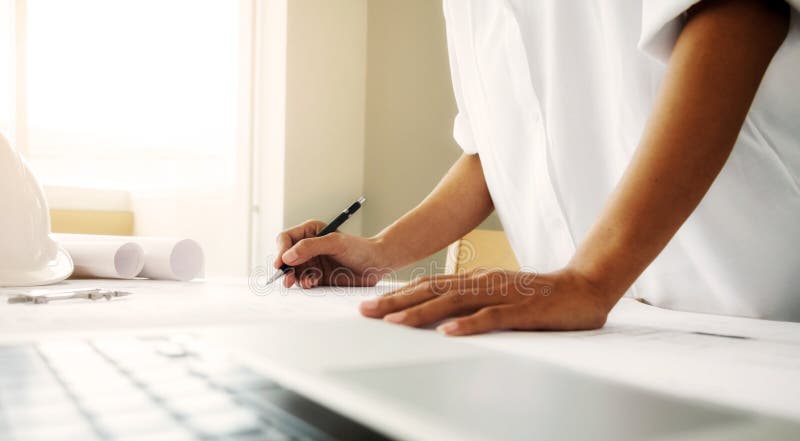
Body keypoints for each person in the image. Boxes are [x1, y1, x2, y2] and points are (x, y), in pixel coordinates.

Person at [274, 0, 799, 335]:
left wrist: (592, 279)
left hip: (743, 314)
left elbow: (741, 15)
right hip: (587, 329)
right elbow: (496, 149)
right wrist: (380, 252)